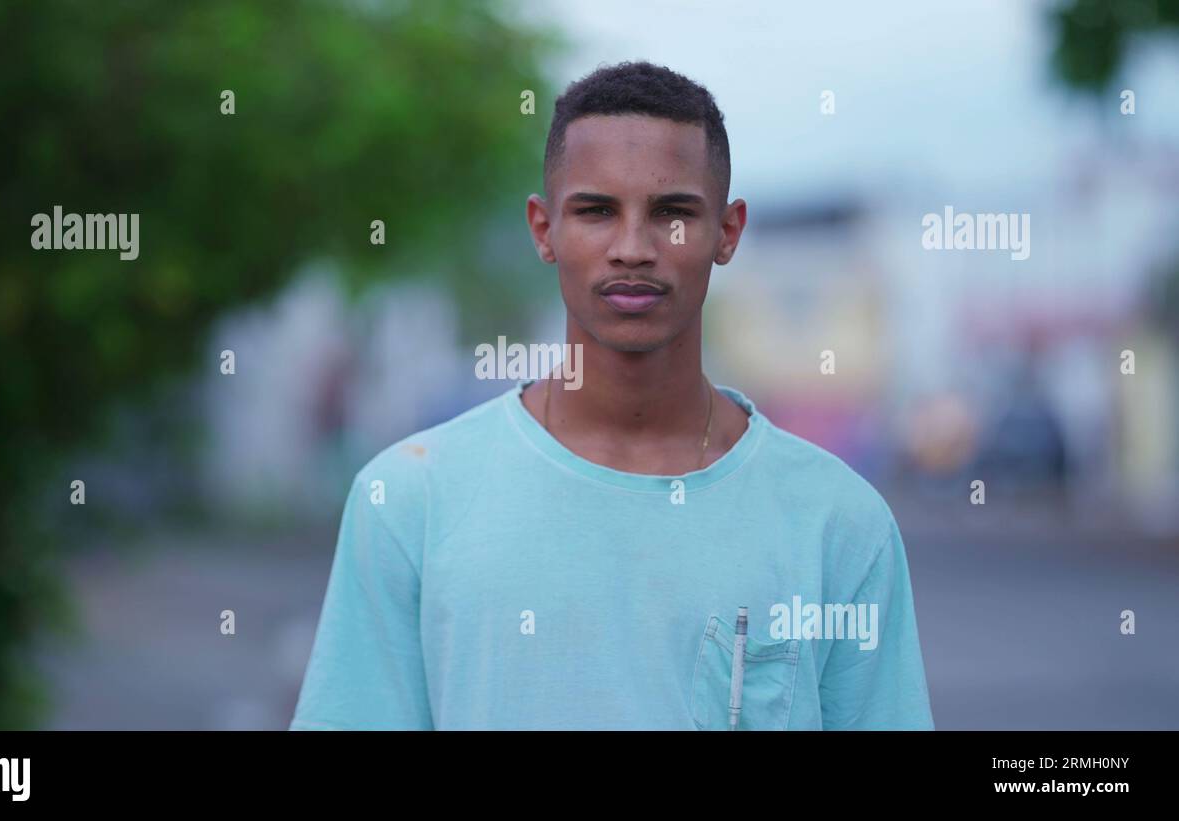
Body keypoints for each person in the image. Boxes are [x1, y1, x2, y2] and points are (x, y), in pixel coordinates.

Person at [290, 60, 933, 730]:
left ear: (727, 232)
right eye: (597, 211)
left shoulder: (838, 522)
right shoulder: (408, 503)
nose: (633, 248)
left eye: (672, 213)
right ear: (544, 230)